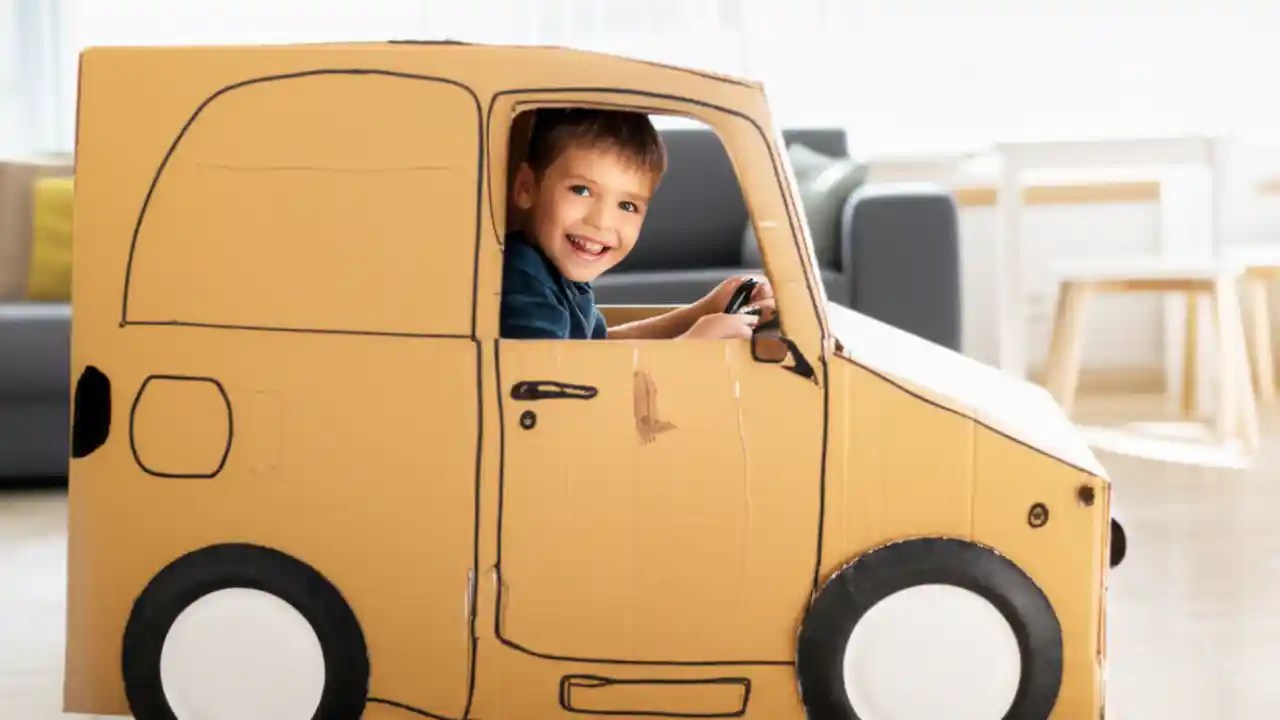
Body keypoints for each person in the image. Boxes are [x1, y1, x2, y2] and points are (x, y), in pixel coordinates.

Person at [500, 108, 773, 340]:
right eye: (581, 190)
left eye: (627, 206)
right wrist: (689, 347)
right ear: (526, 187)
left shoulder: (558, 276)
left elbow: (599, 352)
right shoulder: (521, 276)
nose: (602, 222)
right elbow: (549, 379)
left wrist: (704, 311)